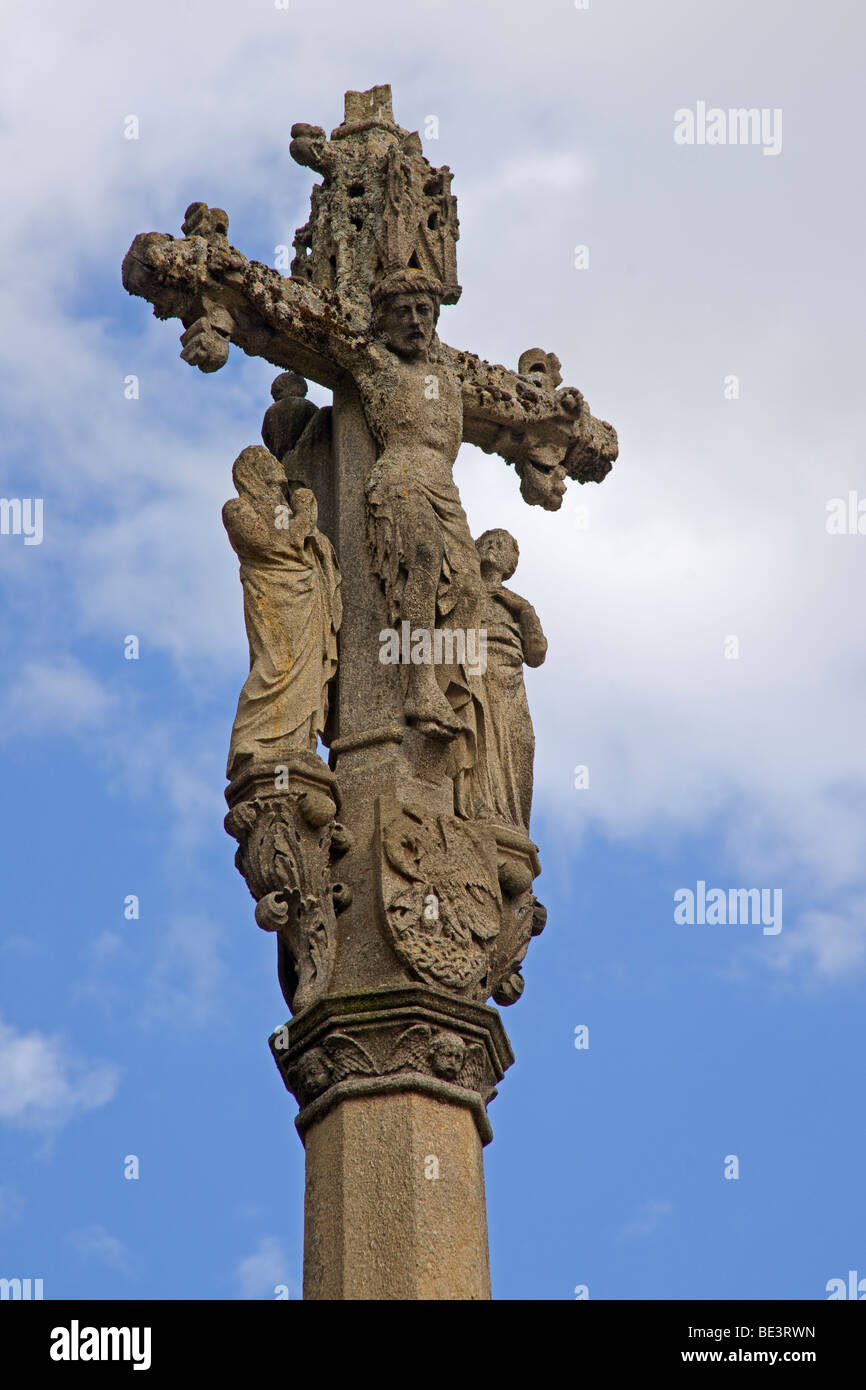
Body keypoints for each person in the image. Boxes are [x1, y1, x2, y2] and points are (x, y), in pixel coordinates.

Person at [223, 446, 341, 779]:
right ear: (250, 472)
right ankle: (254, 744)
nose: (274, 464)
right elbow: (267, 544)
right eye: (264, 461)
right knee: (275, 665)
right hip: (275, 596)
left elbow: (317, 553)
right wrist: (304, 518)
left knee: (308, 670)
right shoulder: (238, 508)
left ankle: (298, 743)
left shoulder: (292, 512)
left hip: (308, 599)